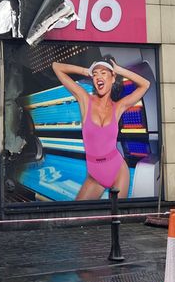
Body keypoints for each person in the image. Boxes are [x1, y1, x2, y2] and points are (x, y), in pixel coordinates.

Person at [52, 57, 150, 201]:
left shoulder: (118, 107)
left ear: (112, 78)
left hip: (118, 170)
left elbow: (145, 84)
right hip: (95, 175)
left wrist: (119, 70)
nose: (98, 77)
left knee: (116, 214)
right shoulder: (85, 99)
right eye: (95, 74)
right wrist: (86, 71)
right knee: (77, 212)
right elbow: (56, 66)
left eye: (103, 73)